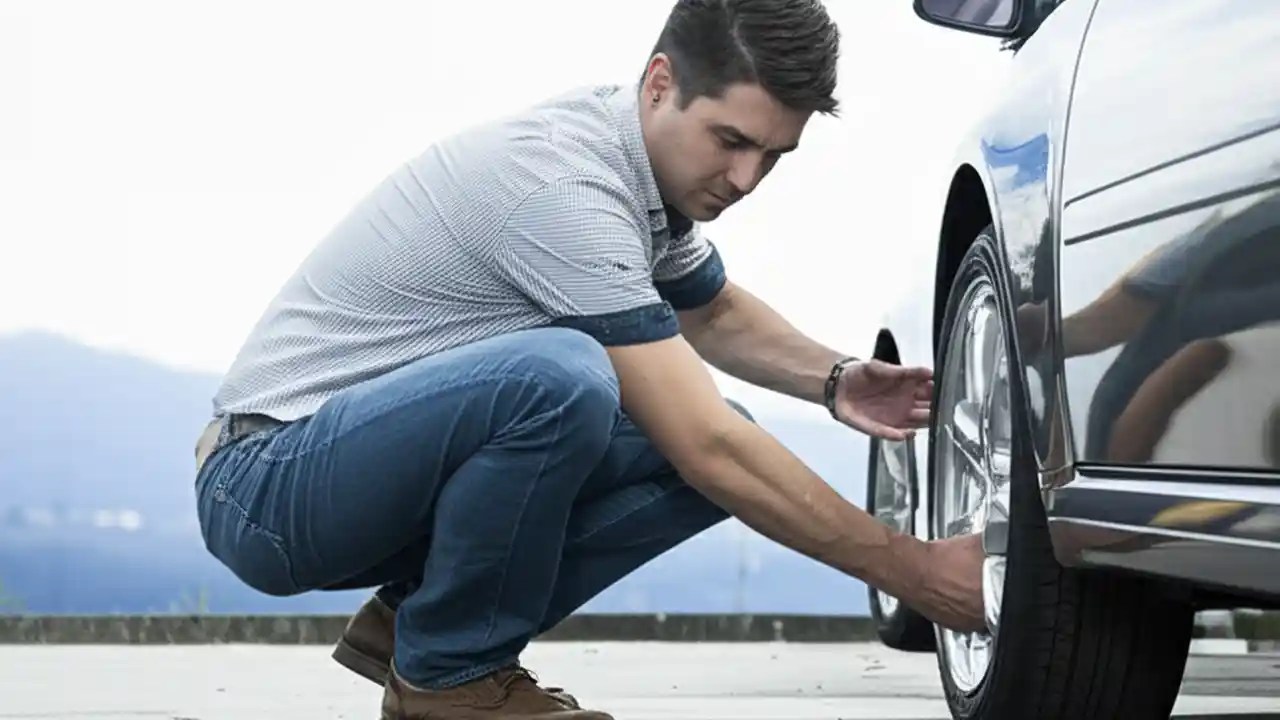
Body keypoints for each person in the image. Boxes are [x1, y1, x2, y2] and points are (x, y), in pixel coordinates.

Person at [192, 0, 985, 717]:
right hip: (269, 484)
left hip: (354, 479)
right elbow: (707, 445)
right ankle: (451, 674)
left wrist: (835, 378)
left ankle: (420, 628)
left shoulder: (637, 171)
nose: (747, 180)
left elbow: (712, 310)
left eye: (774, 155)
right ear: (659, 83)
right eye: (732, 141)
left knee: (685, 436)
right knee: (566, 381)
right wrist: (911, 570)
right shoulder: (563, 188)